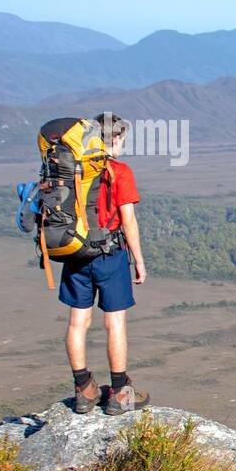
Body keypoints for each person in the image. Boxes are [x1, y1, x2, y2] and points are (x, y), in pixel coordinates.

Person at [63, 112, 150, 414]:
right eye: (122, 140)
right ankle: (120, 392)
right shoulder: (119, 171)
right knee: (114, 322)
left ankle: (84, 390)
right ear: (114, 139)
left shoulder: (71, 169)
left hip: (74, 253)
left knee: (77, 322)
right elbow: (129, 222)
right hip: (110, 255)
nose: (122, 146)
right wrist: (138, 260)